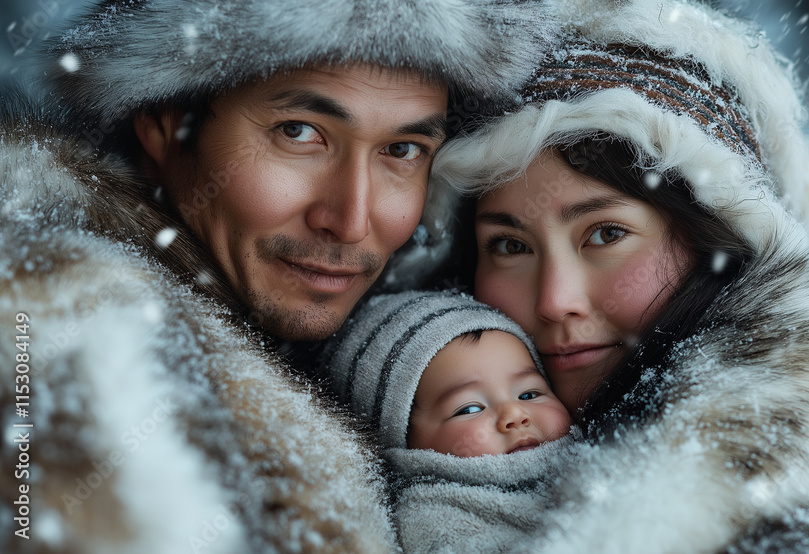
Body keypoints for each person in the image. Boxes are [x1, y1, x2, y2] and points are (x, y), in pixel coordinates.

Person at [0, 0, 554, 552]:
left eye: (402, 149)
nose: (351, 221)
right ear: (165, 125)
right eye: (298, 132)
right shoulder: (56, 348)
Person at [430, 0, 809, 551]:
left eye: (606, 234)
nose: (554, 300)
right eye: (510, 245)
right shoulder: (393, 417)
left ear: (714, 240)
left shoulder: (774, 523)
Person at [328, 290, 574, 553]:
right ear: (406, 445)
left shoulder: (598, 450)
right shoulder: (436, 523)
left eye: (529, 394)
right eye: (470, 409)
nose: (515, 415)